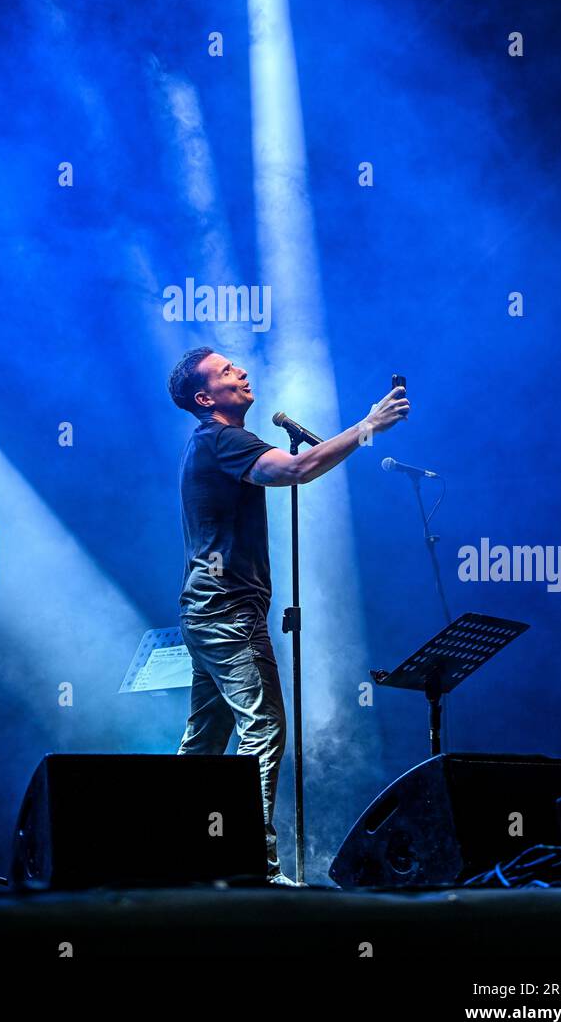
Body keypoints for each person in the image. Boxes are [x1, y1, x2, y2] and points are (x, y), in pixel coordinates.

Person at [167, 347, 410, 884]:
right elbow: (298, 467)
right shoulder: (222, 439)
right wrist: (368, 425)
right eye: (228, 371)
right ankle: (255, 865)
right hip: (228, 610)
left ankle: (171, 852)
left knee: (205, 737)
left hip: (209, 609)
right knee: (264, 727)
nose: (243, 372)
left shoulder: (214, 443)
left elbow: (299, 466)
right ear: (206, 397)